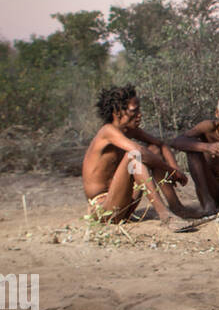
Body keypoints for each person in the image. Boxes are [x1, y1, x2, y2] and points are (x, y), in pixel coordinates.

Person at [81, 85, 192, 224]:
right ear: (117, 112)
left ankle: (177, 207)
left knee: (153, 151)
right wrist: (169, 170)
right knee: (133, 157)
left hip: (124, 203)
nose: (140, 114)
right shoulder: (107, 131)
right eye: (134, 110)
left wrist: (175, 169)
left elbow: (160, 145)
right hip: (103, 210)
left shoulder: (130, 130)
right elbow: (138, 152)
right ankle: (165, 215)